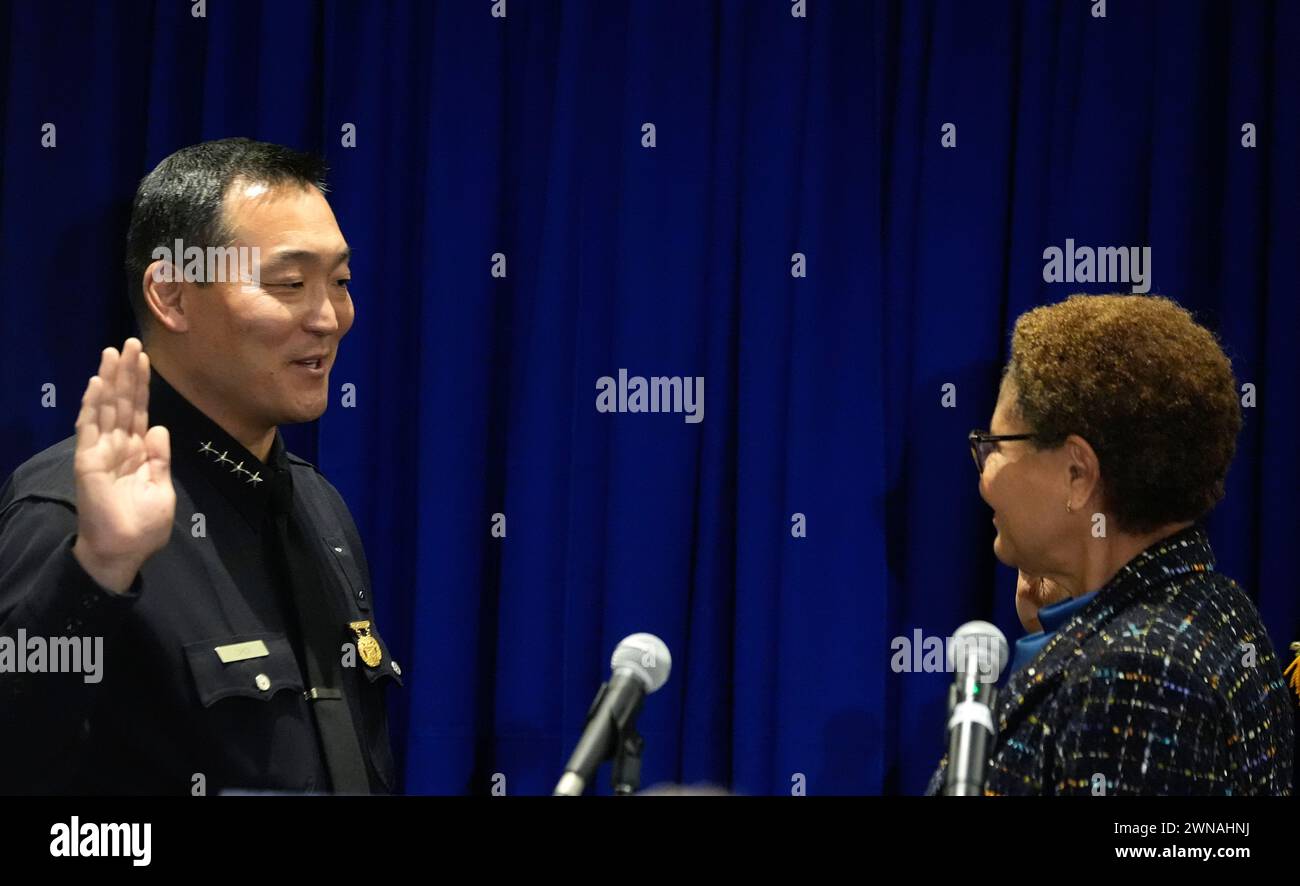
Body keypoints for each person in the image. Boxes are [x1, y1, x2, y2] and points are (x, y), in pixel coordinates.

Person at [0, 138, 402, 795]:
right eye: (290, 283)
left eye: (342, 282)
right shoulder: (69, 512)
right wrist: (97, 571)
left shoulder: (319, 506)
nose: (329, 318)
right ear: (173, 295)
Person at [927, 293, 1293, 795]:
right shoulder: (1215, 606)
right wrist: (1058, 637)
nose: (985, 475)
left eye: (996, 446)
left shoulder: (1135, 672)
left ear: (1077, 474)